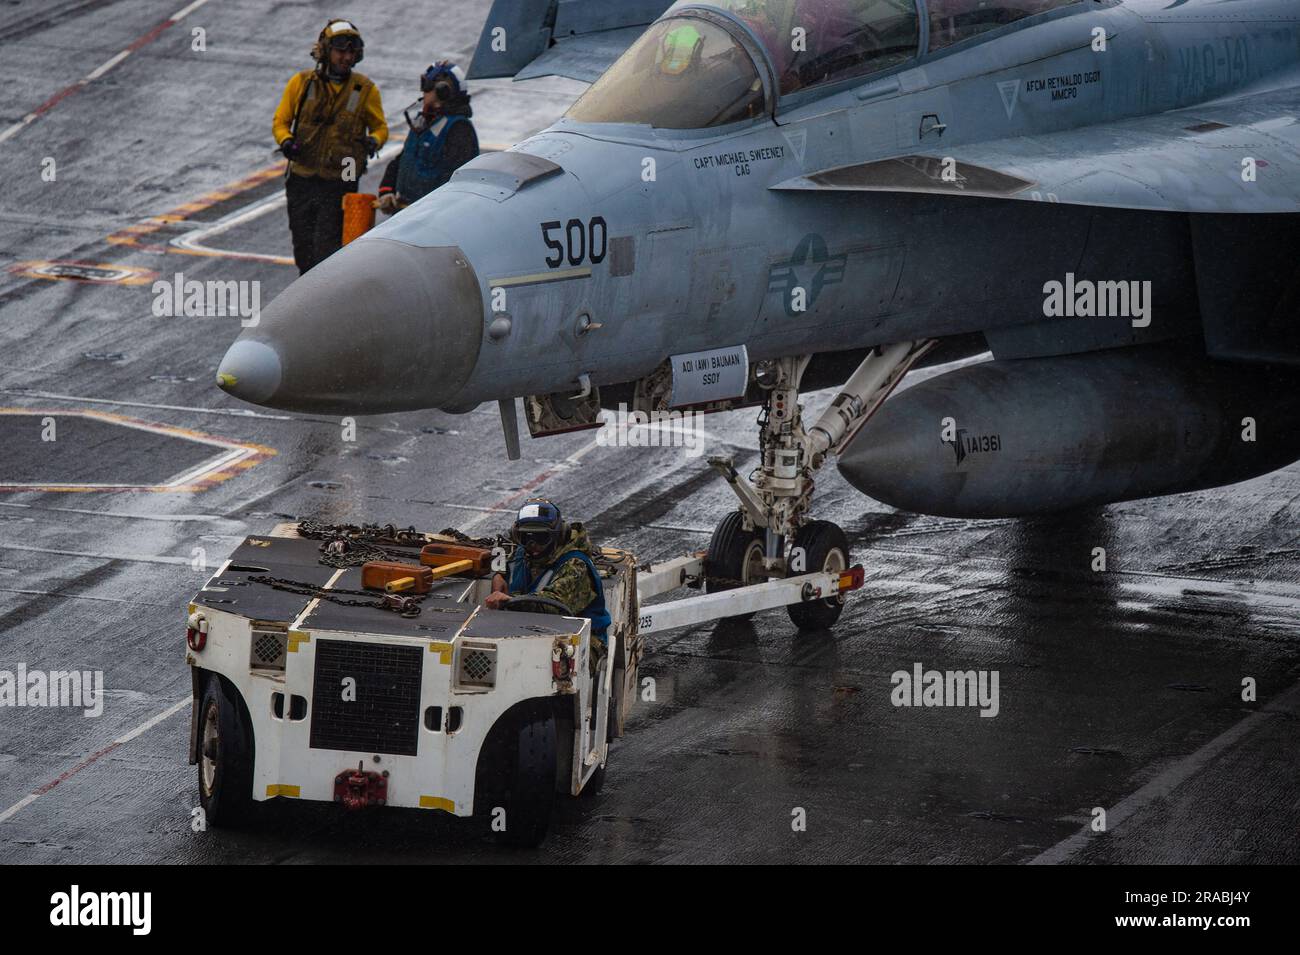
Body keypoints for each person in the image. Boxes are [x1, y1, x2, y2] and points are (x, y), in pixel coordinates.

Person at [272, 19, 388, 273]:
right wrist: (286, 141)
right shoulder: (302, 83)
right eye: (340, 51)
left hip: (340, 182)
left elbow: (381, 128)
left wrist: (373, 141)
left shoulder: (365, 89)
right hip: (302, 180)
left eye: (351, 52)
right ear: (325, 50)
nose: (346, 58)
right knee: (303, 248)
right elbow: (280, 121)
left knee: (327, 248)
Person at [486, 500, 611, 667]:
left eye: (541, 538)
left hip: (579, 637)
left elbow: (553, 605)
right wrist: (499, 573)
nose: (533, 545)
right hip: (530, 627)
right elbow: (501, 546)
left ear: (557, 534)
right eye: (526, 538)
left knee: (549, 669)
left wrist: (509, 600)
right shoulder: (524, 551)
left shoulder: (575, 565)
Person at [375, 62, 479, 215]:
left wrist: (432, 211)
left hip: (432, 218)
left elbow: (459, 182)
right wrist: (387, 190)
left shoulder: (459, 129)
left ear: (442, 91)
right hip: (406, 213)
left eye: (426, 85)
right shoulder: (423, 120)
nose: (423, 91)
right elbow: (404, 158)